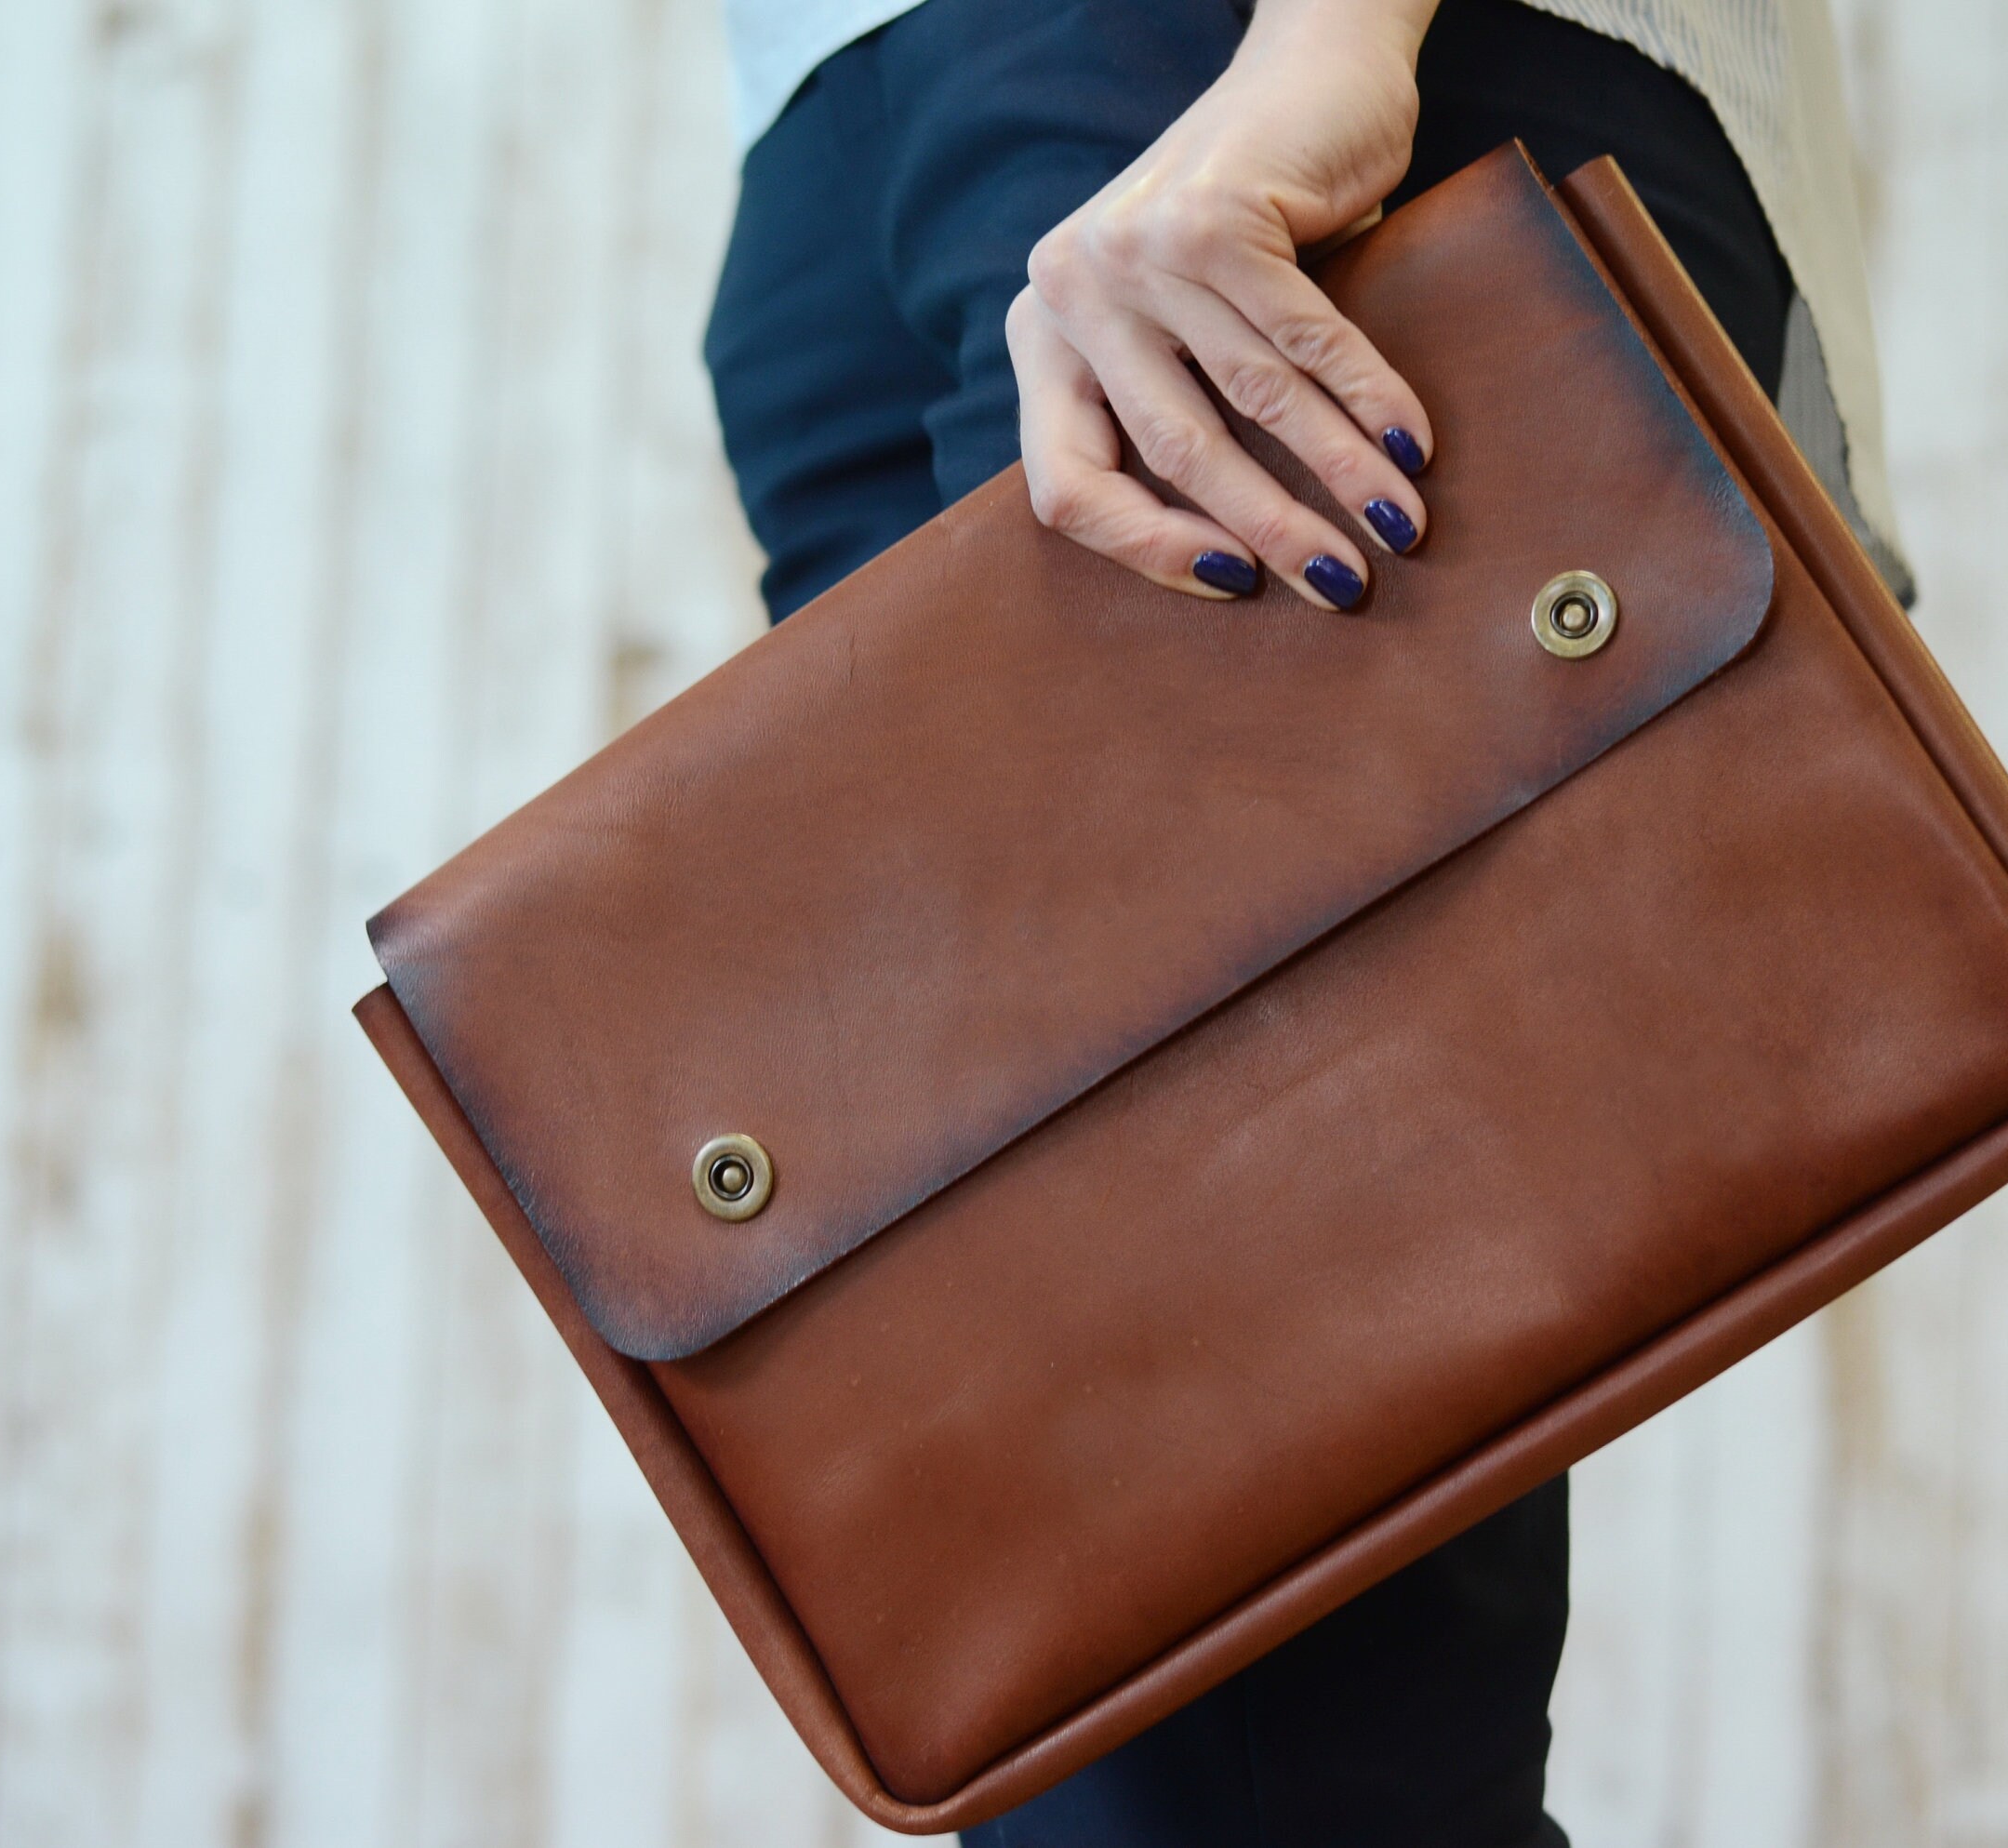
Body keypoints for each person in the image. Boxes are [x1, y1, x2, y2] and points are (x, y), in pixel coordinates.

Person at [700, 2, 1905, 1841]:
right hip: (848, 133)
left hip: (1222, 79)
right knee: (1097, 1670)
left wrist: (1332, 35)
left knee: (1259, 1710)